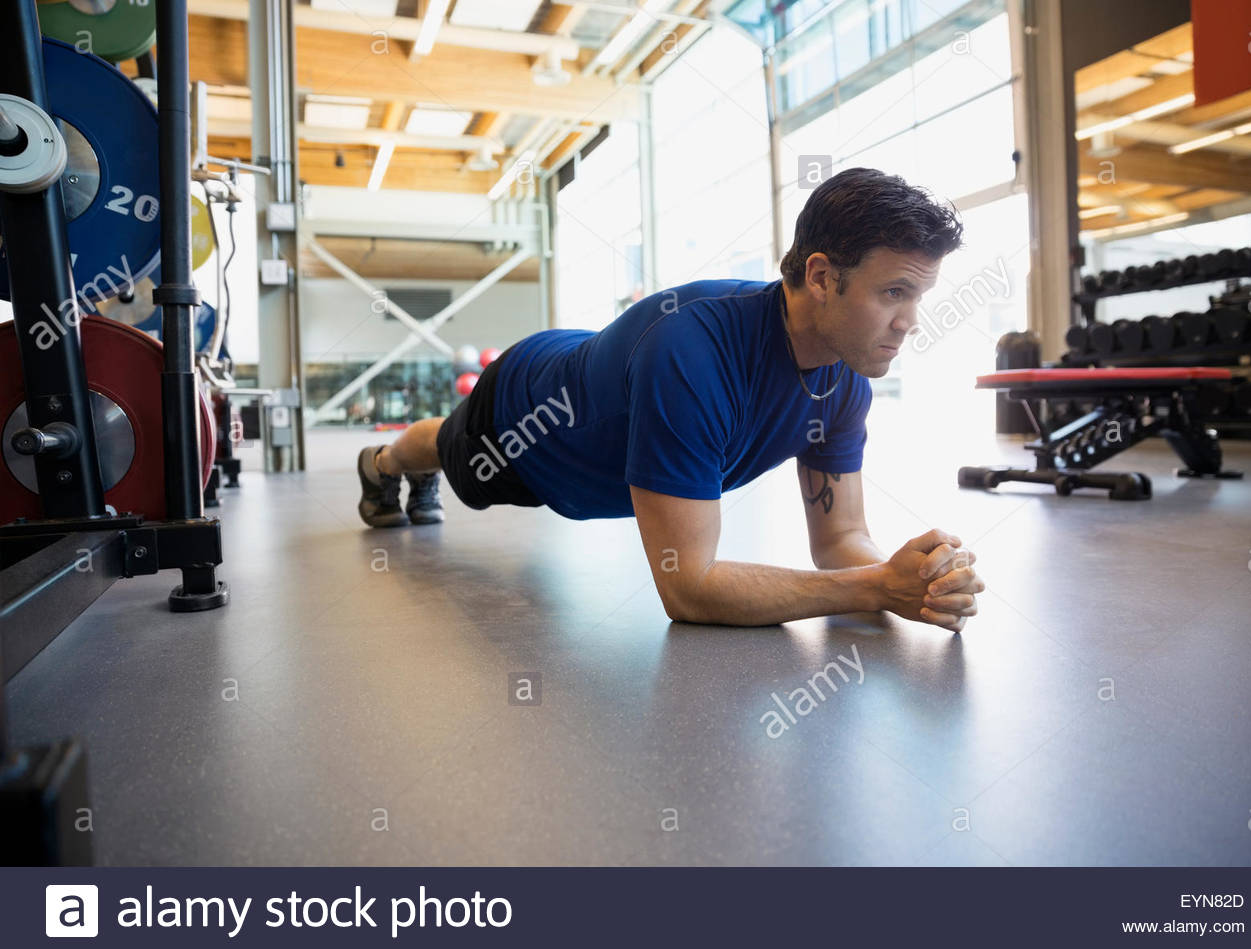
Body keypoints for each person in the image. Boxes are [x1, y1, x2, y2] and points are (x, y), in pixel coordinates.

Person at [357, 168, 984, 631]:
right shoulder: (692, 354)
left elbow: (842, 535)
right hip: (524, 411)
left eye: (918, 297)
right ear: (821, 277)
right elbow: (690, 589)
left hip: (601, 383)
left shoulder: (844, 379)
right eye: (894, 293)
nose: (910, 322)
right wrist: (877, 587)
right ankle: (381, 466)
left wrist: (919, 583)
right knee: (444, 448)